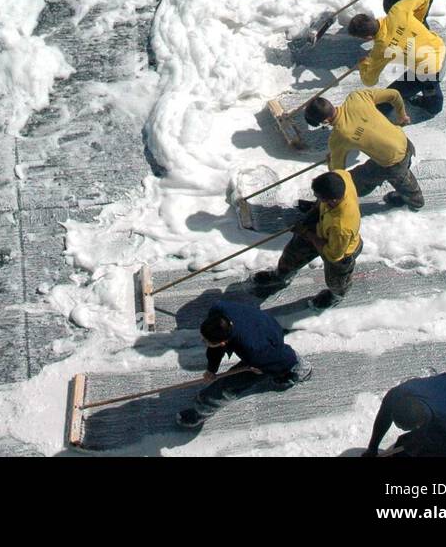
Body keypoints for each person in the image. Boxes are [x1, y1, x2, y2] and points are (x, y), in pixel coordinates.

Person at [176, 299, 311, 429]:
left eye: (207, 341)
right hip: (261, 326)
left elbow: (279, 358)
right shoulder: (218, 310)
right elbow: (214, 348)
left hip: (267, 347)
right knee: (267, 356)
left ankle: (299, 369)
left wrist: (263, 369)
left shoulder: (255, 351)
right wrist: (212, 369)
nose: (202, 341)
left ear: (223, 342)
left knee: (228, 386)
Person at [254, 169, 362, 309]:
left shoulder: (342, 226)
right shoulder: (341, 177)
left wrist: (306, 233)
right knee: (292, 254)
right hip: (321, 225)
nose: (316, 198)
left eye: (319, 197)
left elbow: (333, 255)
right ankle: (281, 276)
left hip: (339, 249)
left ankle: (336, 296)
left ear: (332, 200)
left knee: (336, 281)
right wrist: (314, 211)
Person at [304, 89, 425, 210]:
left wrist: (330, 161)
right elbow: (395, 95)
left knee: (355, 181)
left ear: (325, 121)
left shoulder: (338, 137)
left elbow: (338, 173)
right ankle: (400, 178)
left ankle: (416, 201)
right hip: (404, 141)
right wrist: (402, 116)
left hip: (392, 163)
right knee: (394, 167)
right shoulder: (356, 97)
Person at [348, 0, 446, 117]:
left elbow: (369, 81)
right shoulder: (398, 10)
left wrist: (364, 64)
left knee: (387, 99)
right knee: (422, 73)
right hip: (444, 50)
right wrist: (418, 20)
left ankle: (374, 119)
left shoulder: (381, 50)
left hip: (431, 72)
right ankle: (430, 94)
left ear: (368, 37)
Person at [362, 373, 446, 458]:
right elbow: (383, 417)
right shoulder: (397, 394)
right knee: (405, 447)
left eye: (407, 428)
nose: (401, 429)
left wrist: (421, 444)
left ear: (420, 424)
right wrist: (372, 449)